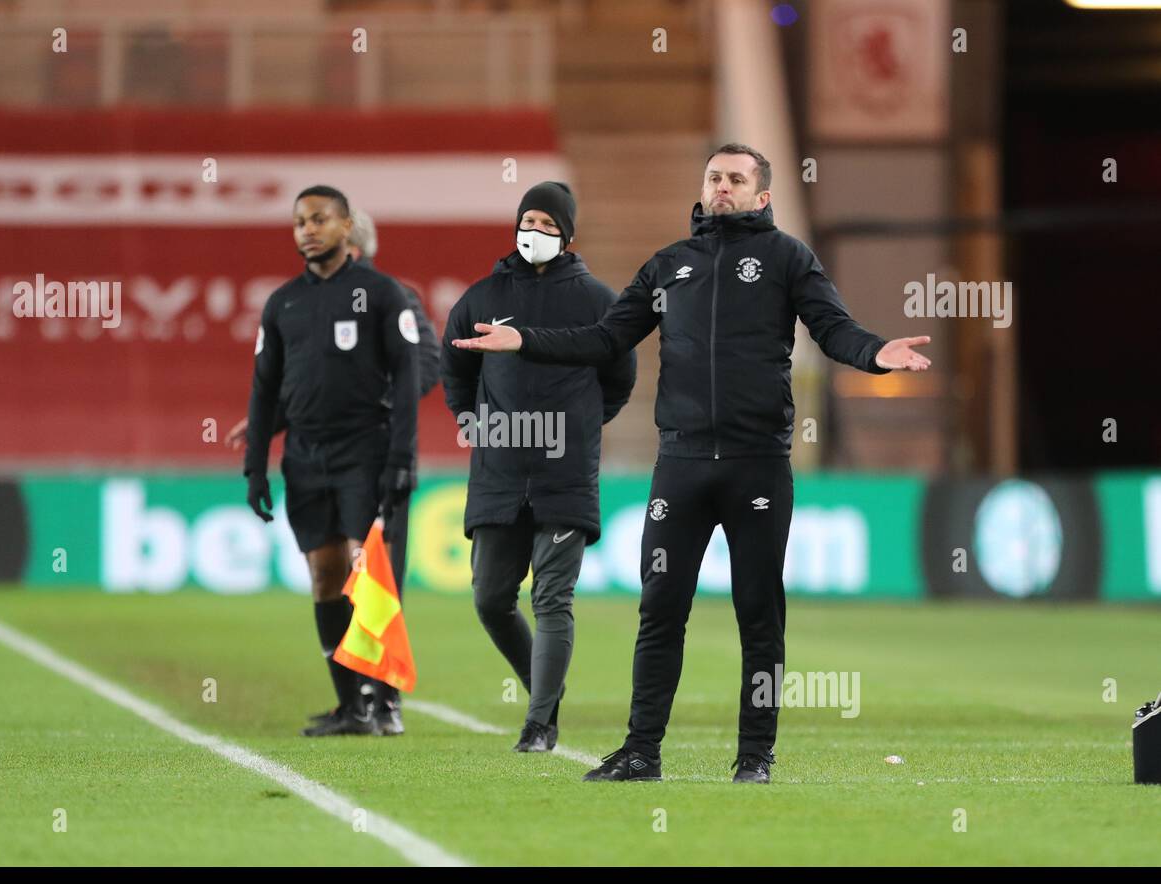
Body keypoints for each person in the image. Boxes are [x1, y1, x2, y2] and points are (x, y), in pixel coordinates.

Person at [452, 144, 932, 782]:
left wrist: (876, 354)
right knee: (660, 610)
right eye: (715, 177)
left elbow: (832, 329)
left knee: (759, 612)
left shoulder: (788, 258)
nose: (723, 187)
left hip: (756, 463)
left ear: (762, 196)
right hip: (678, 464)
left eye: (737, 179)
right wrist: (524, 340)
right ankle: (641, 751)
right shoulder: (668, 267)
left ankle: (755, 757)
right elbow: (605, 338)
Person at [228, 208, 440, 735]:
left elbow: (427, 365)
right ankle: (353, 703)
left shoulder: (394, 296)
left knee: (372, 573)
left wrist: (375, 407)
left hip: (373, 453)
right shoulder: (298, 300)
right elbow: (309, 382)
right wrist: (267, 425)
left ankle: (384, 700)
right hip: (311, 458)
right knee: (331, 573)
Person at [441, 182, 636, 751]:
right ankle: (542, 691)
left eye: (551, 225)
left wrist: (577, 427)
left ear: (568, 235)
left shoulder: (599, 301)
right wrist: (467, 417)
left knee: (552, 597)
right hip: (498, 472)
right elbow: (456, 366)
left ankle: (540, 722)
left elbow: (619, 377)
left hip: (565, 472)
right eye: (530, 221)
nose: (538, 233)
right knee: (490, 598)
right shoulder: (480, 297)